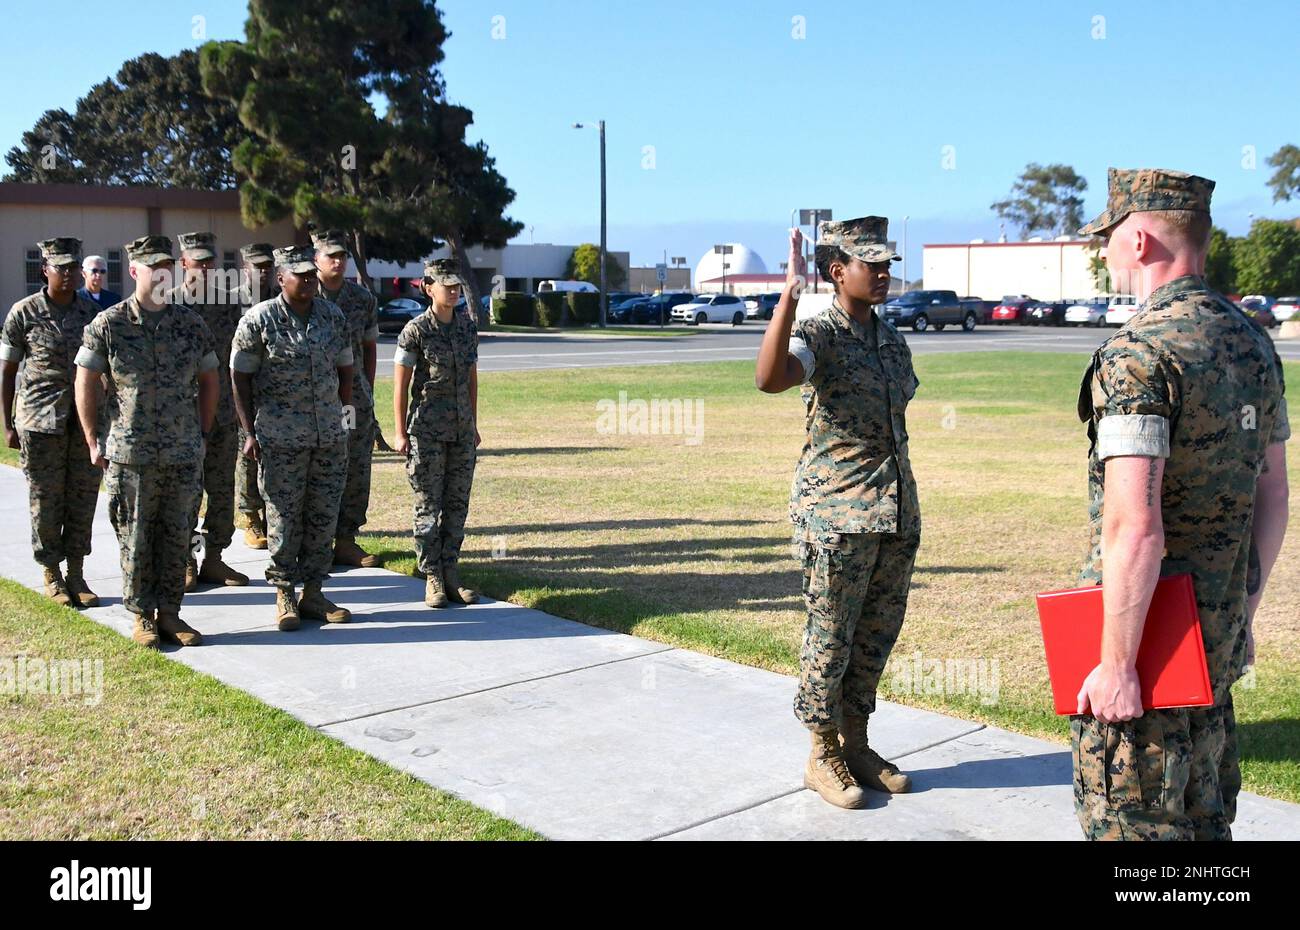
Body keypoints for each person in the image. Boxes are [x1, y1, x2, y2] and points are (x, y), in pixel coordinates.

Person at [1072, 168, 1290, 841]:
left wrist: (1116, 667)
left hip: (1150, 660)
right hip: (1215, 642)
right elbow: (1273, 493)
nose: (1103, 250)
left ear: (1138, 240)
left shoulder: (1139, 355)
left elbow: (1136, 529)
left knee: (1137, 835)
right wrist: (1242, 615)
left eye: (1107, 236)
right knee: (1203, 833)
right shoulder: (1251, 341)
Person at [755, 217, 920, 810]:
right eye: (868, 264)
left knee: (875, 635)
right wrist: (788, 295)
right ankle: (821, 752)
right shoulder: (818, 333)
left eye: (886, 264)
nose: (881, 273)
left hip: (895, 512)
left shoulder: (892, 341)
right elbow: (769, 377)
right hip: (837, 514)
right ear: (836, 272)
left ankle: (857, 742)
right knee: (830, 637)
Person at [73, 235, 219, 648]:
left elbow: (210, 379)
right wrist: (91, 439)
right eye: (151, 266)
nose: (159, 273)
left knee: (178, 534)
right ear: (134, 270)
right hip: (130, 455)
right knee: (135, 537)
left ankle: (171, 613)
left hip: (182, 452)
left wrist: (204, 434)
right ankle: (142, 616)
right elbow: (84, 380)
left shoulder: (190, 325)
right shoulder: (109, 323)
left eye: (166, 266)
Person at [231, 245, 355, 630]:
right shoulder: (259, 319)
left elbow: (346, 370)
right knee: (283, 517)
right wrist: (249, 432)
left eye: (309, 273)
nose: (307, 279)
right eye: (298, 274)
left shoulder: (333, 317)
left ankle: (314, 592)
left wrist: (343, 419)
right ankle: (284, 592)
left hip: (328, 439)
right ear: (279, 277)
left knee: (323, 516)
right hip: (280, 439)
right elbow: (240, 379)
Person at [1, 237, 104, 607]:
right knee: (45, 500)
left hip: (84, 421)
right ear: (44, 270)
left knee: (82, 497)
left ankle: (76, 573)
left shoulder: (92, 314)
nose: (70, 274)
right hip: (39, 420)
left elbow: (103, 371)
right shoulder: (24, 312)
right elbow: (8, 370)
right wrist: (9, 424)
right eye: (61, 267)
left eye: (74, 267)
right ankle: (51, 572)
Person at [392, 258, 481, 609]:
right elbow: (400, 386)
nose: (454, 290)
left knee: (457, 505)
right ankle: (431, 577)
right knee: (428, 505)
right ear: (429, 288)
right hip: (426, 432)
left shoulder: (466, 327)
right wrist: (400, 433)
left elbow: (472, 378)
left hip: (460, 432)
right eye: (448, 285)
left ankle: (451, 571)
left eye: (458, 285)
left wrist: (473, 423)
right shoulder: (415, 330)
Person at [172, 231, 249, 591]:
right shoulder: (169, 305)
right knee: (188, 491)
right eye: (197, 260)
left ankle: (215, 558)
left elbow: (238, 361)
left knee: (222, 488)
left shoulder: (228, 304)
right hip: (184, 418)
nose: (204, 267)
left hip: (223, 414)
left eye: (210, 261)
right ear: (183, 262)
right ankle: (186, 557)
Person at [311, 230, 381, 569]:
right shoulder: (304, 295)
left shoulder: (362, 299)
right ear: (316, 259)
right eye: (330, 256)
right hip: (316, 399)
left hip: (352, 400)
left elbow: (369, 348)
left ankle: (346, 539)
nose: (338, 262)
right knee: (319, 468)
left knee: (354, 464)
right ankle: (314, 541)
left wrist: (366, 387)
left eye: (342, 256)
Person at [234, 242, 276, 549]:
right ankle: (249, 515)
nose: (263, 271)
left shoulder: (282, 299)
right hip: (242, 389)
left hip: (275, 391)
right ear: (244, 267)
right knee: (247, 454)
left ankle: (271, 513)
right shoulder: (231, 300)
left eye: (267, 266)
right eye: (256, 266)